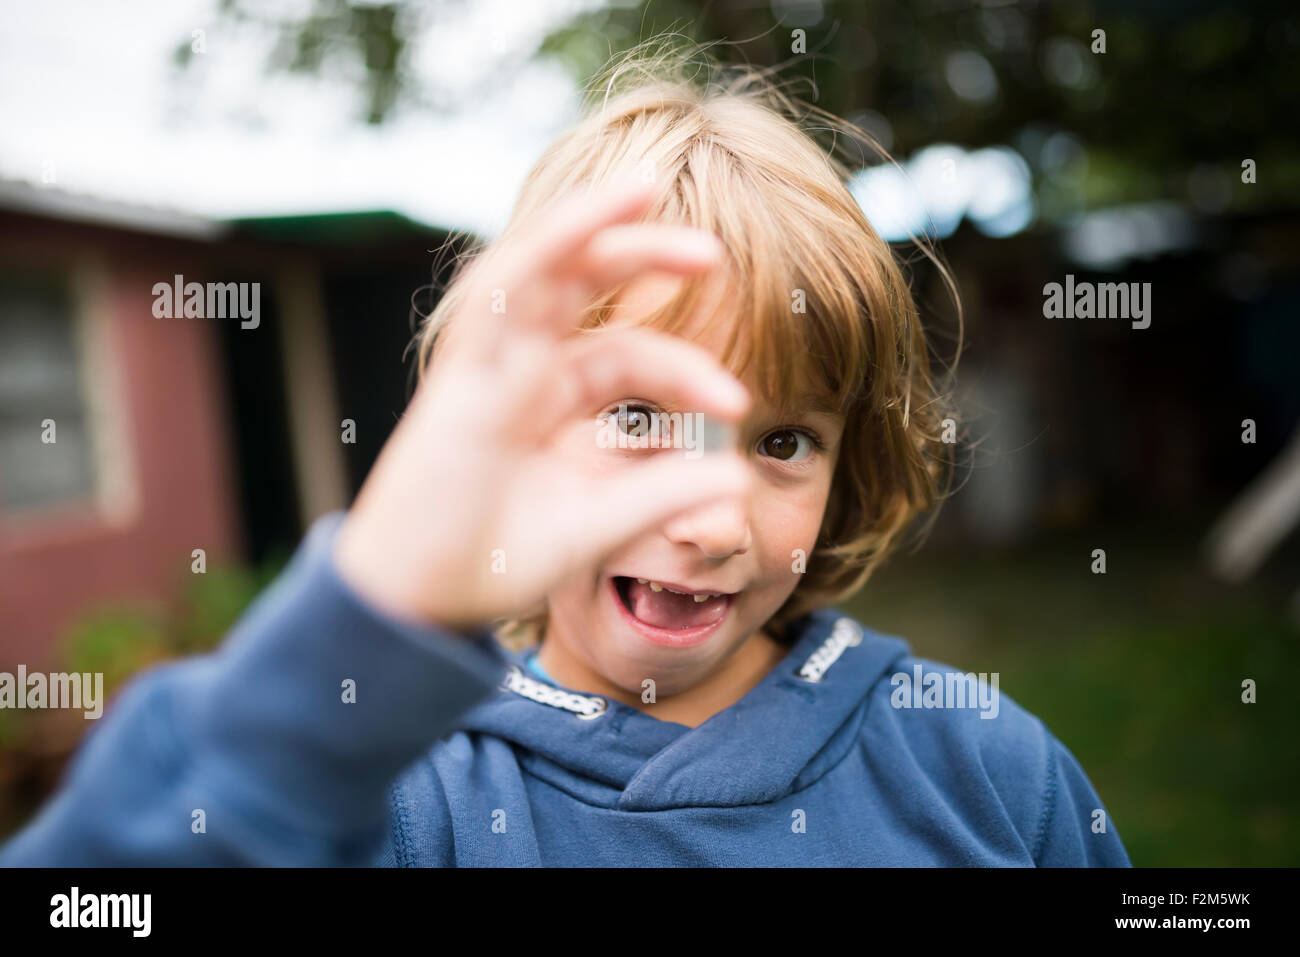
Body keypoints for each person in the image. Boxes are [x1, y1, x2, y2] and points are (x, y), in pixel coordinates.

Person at [0, 43, 1130, 867]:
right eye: (639, 418)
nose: (713, 521)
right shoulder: (404, 804)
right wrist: (369, 610)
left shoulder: (987, 766)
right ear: (511, 430)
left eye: (785, 440)